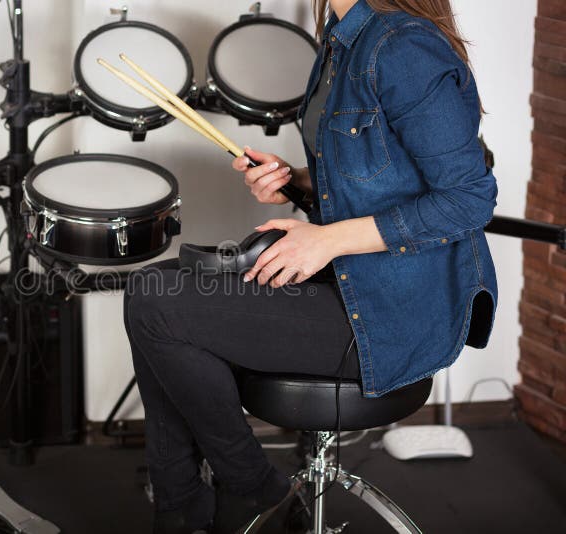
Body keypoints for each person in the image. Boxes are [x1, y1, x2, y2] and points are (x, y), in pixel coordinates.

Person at [123, 0, 498, 532]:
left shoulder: (404, 47)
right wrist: (296, 180)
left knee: (158, 304)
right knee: (151, 288)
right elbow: (377, 180)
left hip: (397, 312)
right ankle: (185, 500)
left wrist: (325, 242)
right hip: (353, 281)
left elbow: (469, 199)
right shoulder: (341, 40)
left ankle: (244, 488)